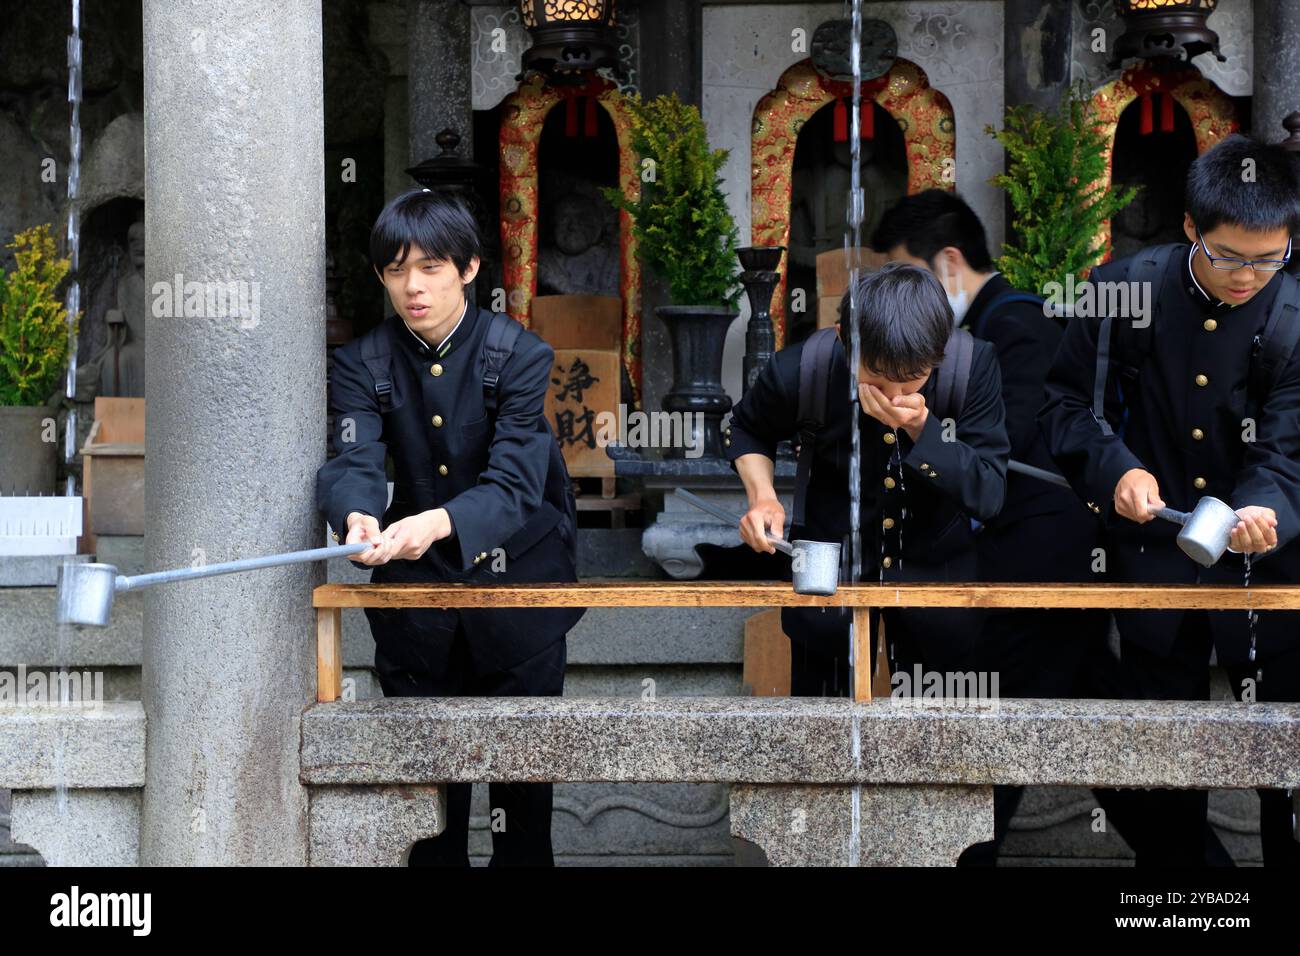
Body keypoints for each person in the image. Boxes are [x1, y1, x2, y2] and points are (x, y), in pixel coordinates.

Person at [1039, 133, 1300, 866]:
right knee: (1163, 755)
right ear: (1190, 227)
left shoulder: (1295, 317)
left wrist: (1267, 510)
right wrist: (1114, 467)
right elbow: (1065, 406)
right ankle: (1190, 899)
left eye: (1269, 258)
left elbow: (1290, 446)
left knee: (1283, 765)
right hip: (1155, 555)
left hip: (1270, 571)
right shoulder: (1121, 289)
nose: (1248, 276)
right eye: (1228, 256)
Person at [316, 187, 585, 866]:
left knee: (521, 808)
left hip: (518, 593)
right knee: (427, 813)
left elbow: (519, 484)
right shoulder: (362, 361)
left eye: (432, 267)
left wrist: (435, 521)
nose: (413, 287)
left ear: (468, 269)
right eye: (397, 269)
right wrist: (357, 515)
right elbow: (351, 457)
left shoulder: (518, 355)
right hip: (416, 601)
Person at [871, 190, 1114, 863]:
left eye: (904, 274)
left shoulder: (1018, 327)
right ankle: (1195, 869)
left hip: (1040, 572)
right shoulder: (978, 330)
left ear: (947, 263)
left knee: (990, 754)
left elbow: (997, 463)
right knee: (1102, 737)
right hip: (1022, 574)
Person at [724, 262, 1009, 697]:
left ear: (940, 351)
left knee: (939, 742)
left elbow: (988, 493)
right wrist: (763, 497)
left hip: (935, 580)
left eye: (911, 381)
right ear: (845, 341)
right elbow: (746, 427)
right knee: (824, 730)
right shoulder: (806, 367)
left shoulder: (971, 367)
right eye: (875, 380)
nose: (893, 398)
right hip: (828, 573)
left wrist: (922, 431)